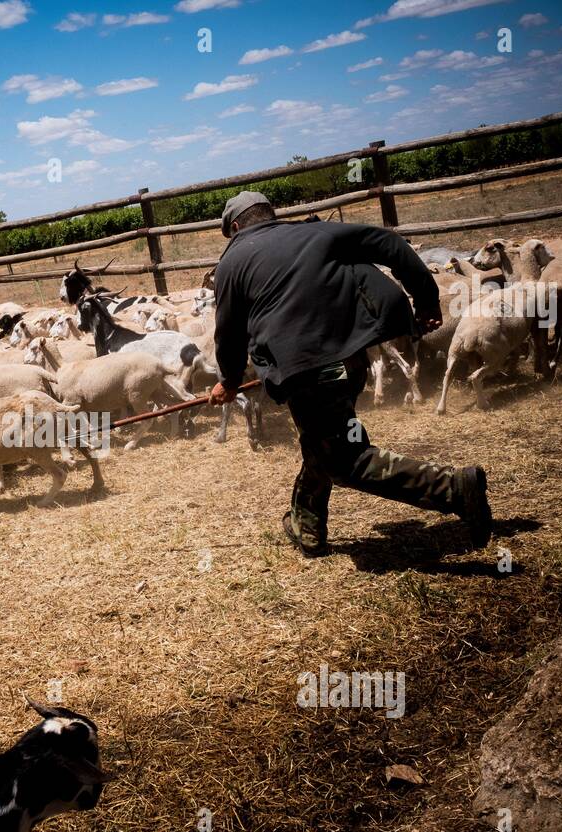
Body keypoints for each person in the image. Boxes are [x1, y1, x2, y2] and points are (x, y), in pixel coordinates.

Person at [207, 190, 492, 557]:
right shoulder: (316, 233)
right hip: (354, 357)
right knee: (323, 441)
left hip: (307, 369)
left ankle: (453, 489)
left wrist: (229, 381)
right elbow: (389, 243)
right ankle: (305, 526)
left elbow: (228, 332)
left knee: (344, 461)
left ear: (234, 227)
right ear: (270, 215)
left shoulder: (232, 263)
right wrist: (424, 299)